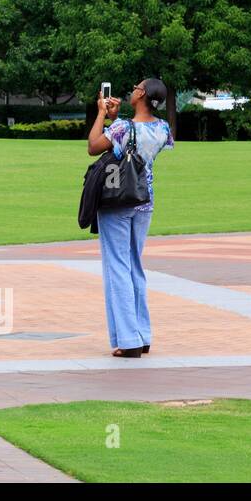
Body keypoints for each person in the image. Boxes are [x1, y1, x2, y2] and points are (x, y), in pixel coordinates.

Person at [86, 78, 174, 358]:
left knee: (117, 268)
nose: (132, 90)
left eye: (137, 88)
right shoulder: (163, 128)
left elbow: (93, 145)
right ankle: (142, 334)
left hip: (117, 201)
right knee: (135, 265)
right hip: (143, 201)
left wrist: (102, 113)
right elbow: (136, 136)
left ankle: (128, 340)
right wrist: (117, 118)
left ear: (143, 95)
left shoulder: (124, 128)